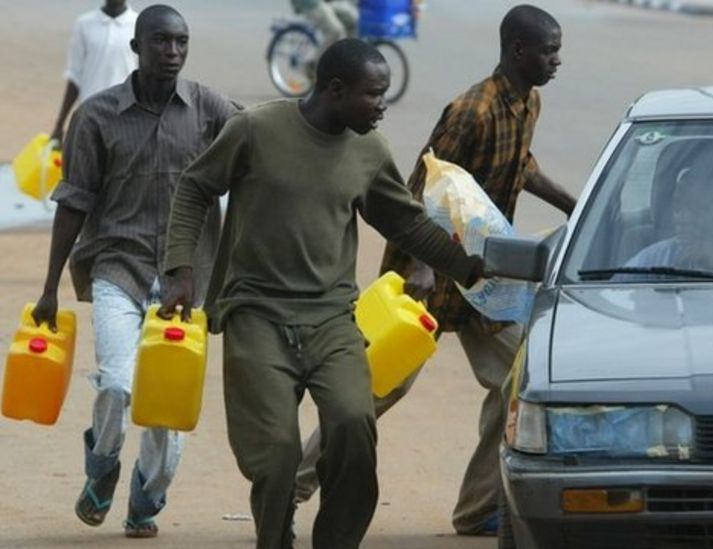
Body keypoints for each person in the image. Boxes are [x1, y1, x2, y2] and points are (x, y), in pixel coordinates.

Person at [159, 38, 484, 549]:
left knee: (355, 424)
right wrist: (180, 269)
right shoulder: (255, 129)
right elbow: (196, 186)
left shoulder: (369, 150)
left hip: (332, 317)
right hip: (256, 313)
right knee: (277, 453)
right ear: (335, 90)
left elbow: (406, 224)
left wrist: (473, 268)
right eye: (373, 95)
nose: (382, 106)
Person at [292, 4, 576, 537]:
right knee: (377, 391)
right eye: (550, 50)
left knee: (519, 379)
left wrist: (571, 204)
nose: (557, 61)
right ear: (518, 51)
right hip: (430, 272)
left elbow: (522, 163)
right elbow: (423, 183)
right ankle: (290, 488)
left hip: (483, 279)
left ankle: (477, 507)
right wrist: (421, 265)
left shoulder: (527, 102)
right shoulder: (472, 109)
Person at [30, 5, 238, 538]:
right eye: (161, 42)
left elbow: (263, 141)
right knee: (119, 385)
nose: (172, 53)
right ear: (137, 47)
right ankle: (102, 470)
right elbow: (73, 202)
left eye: (181, 42)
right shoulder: (96, 117)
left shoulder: (209, 108)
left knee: (167, 410)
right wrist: (50, 286)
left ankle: (148, 495)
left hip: (184, 278)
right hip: (116, 267)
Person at [51, 0, 139, 145]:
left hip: (126, 115)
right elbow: (74, 76)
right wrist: (60, 124)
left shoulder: (139, 24)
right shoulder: (84, 23)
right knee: (87, 164)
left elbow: (146, 75)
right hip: (89, 114)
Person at [291, 0, 359, 50]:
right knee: (335, 31)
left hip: (324, 2)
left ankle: (349, 54)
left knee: (352, 19)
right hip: (311, 4)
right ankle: (316, 64)